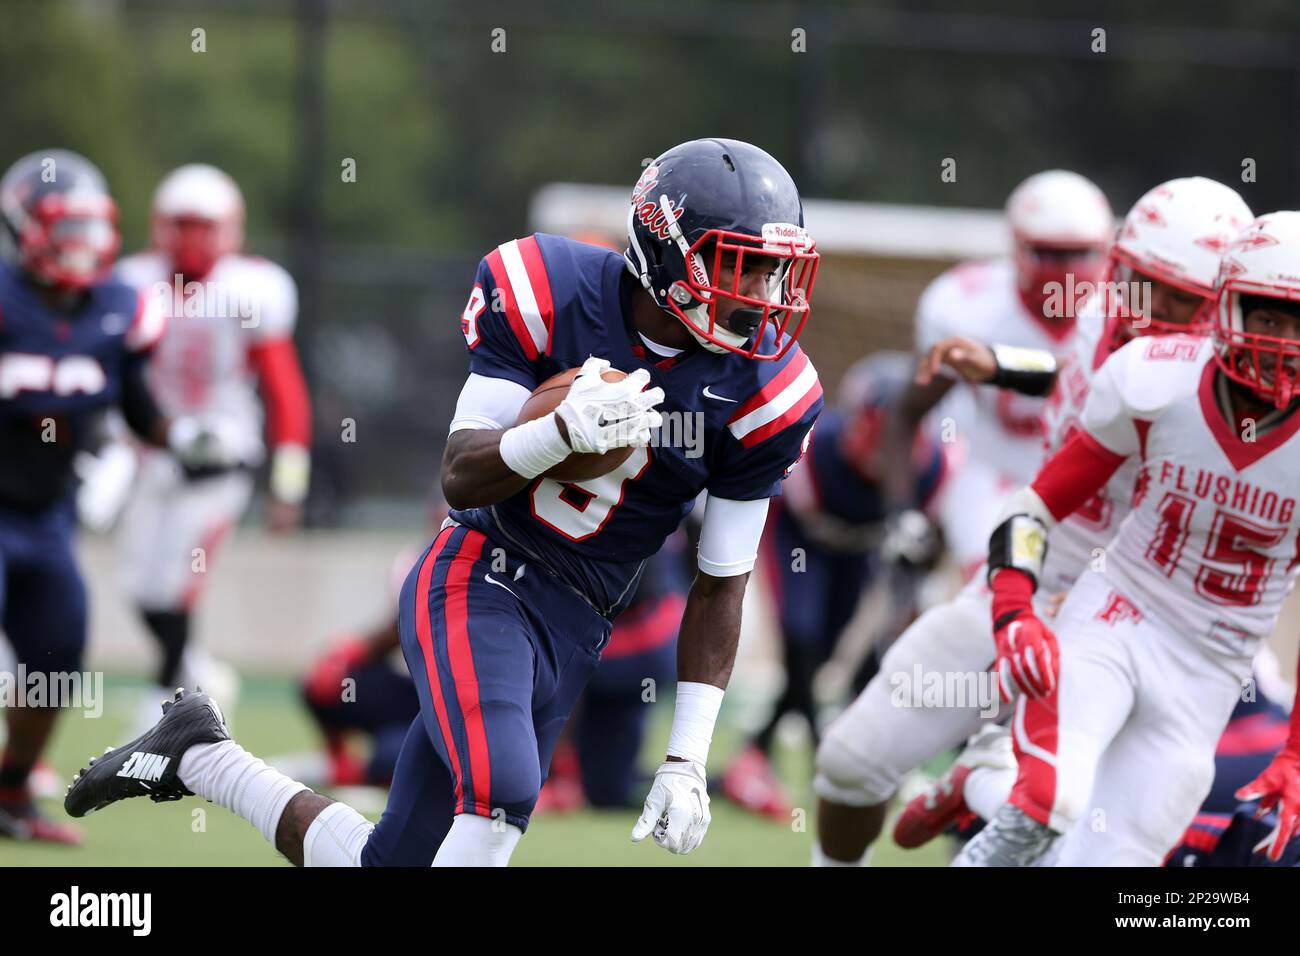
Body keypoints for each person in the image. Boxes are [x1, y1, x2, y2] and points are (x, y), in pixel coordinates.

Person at [66, 137, 824, 866]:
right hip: (481, 576)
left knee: (387, 860)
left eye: (772, 273)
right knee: (502, 794)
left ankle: (199, 757)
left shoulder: (769, 393)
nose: (763, 298)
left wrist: (689, 757)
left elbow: (722, 580)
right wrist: (557, 432)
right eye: (742, 269)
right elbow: (461, 474)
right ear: (668, 252)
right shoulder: (548, 290)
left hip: (577, 625)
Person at [811, 177, 1251, 865]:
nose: (1153, 312)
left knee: (1070, 840)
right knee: (850, 760)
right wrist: (1001, 366)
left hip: (1128, 618)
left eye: (1183, 301)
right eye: (1143, 283)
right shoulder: (1096, 310)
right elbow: (1084, 375)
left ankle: (987, 776)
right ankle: (979, 777)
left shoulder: (1217, 398)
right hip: (1031, 571)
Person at [956, 211, 1300, 865]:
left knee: (1106, 863)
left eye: (1299, 322)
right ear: (1227, 307)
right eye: (1267, 316)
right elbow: (1035, 506)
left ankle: (979, 781)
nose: (1283, 341)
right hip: (1119, 613)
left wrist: (1297, 754)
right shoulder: (1158, 380)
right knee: (1050, 802)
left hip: (1211, 670)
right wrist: (1012, 610)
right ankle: (994, 784)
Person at [0, 149, 236, 842]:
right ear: (23, 229)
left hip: (46, 520)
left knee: (56, 655)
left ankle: (11, 794)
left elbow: (136, 408)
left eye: (87, 230)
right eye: (62, 230)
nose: (80, 247)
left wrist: (181, 437)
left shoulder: (115, 310)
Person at [110, 164, 311, 713]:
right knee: (141, 587)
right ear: (158, 226)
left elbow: (284, 394)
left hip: (222, 460)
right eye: (181, 225)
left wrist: (288, 485)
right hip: (155, 454)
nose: (191, 240)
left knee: (178, 582)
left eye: (203, 226)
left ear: (230, 228)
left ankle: (163, 702)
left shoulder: (251, 288)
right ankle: (196, 672)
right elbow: (117, 374)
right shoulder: (133, 282)